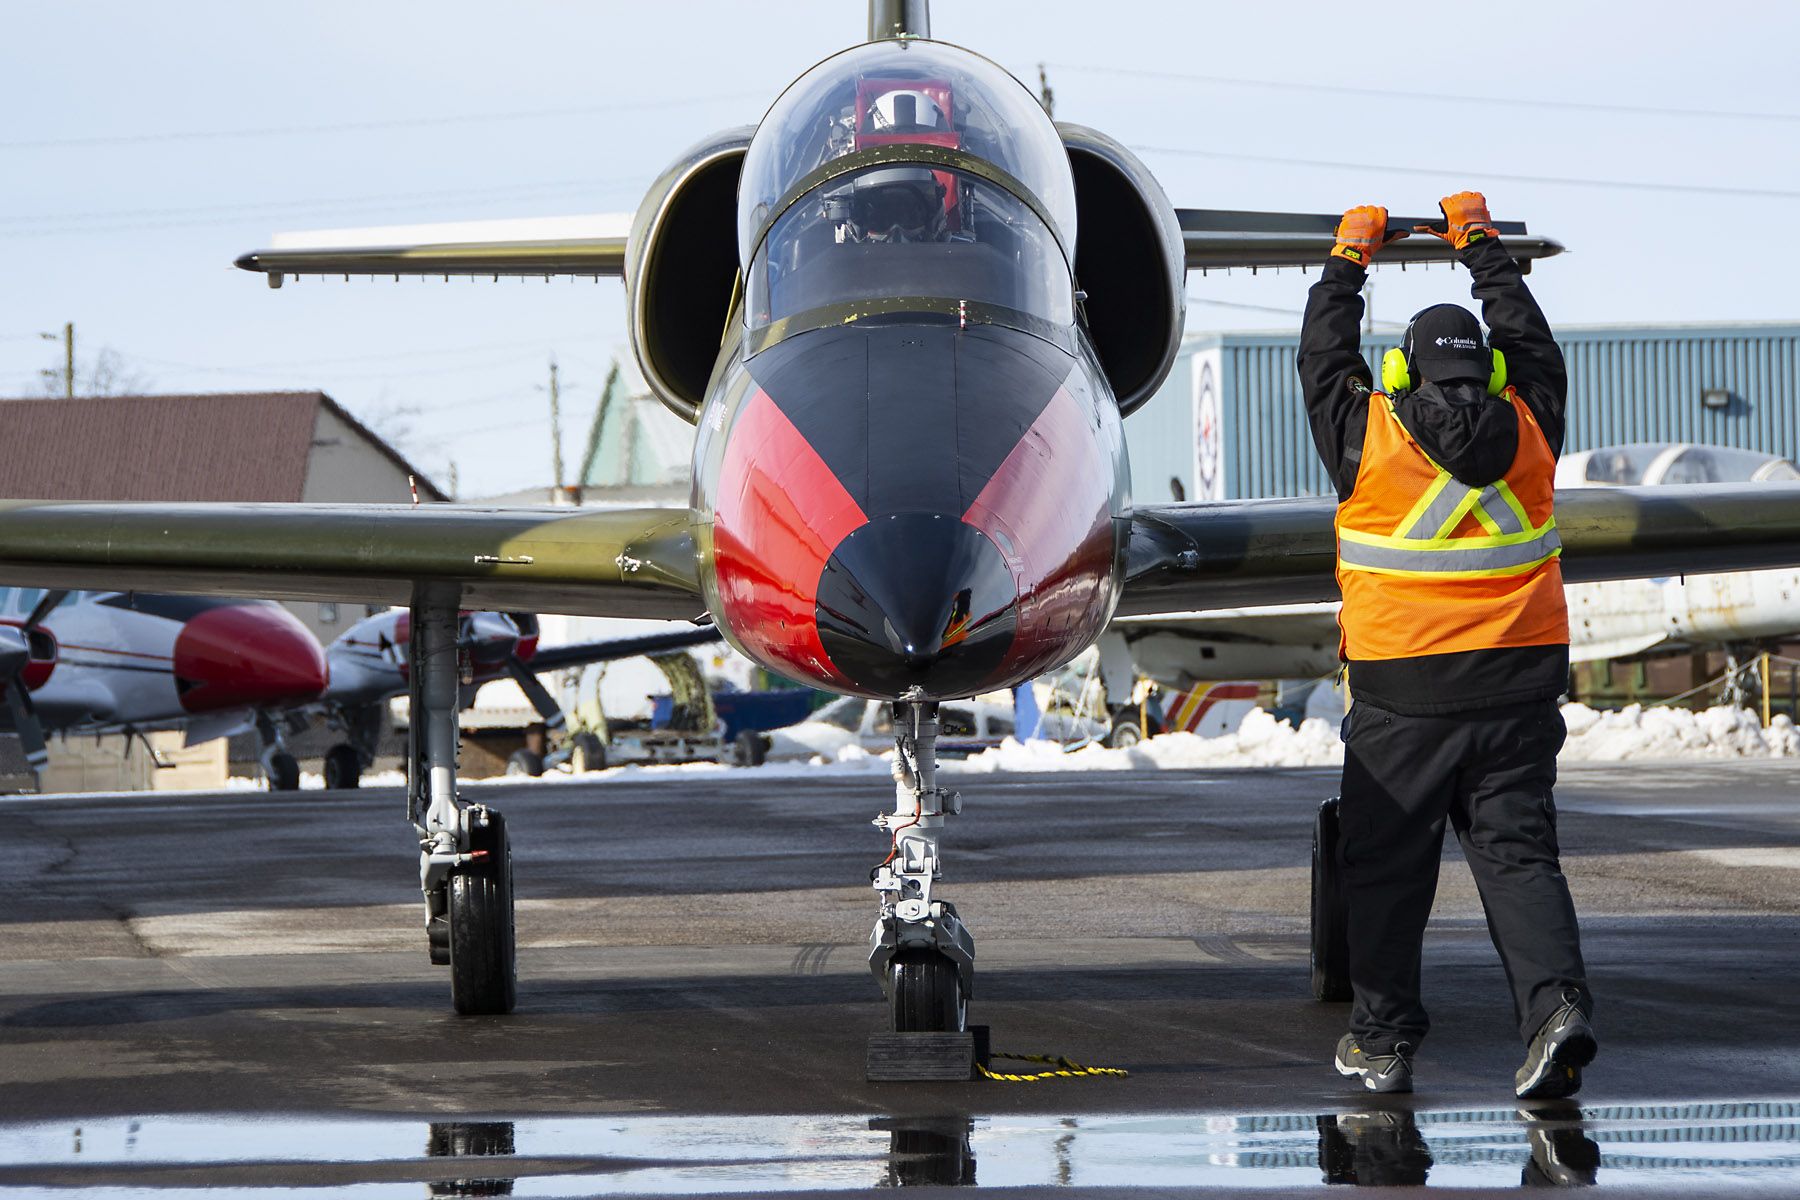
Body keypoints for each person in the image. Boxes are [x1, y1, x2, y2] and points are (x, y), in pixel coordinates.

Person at [1296, 192, 1595, 1098]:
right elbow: (1534, 340)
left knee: (1388, 873)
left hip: (1401, 701)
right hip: (1516, 693)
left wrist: (1350, 257)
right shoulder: (1535, 423)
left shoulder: (1367, 433)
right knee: (1518, 859)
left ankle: (1384, 1045)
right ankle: (1554, 1012)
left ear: (1398, 370)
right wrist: (1482, 245)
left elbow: (1321, 355)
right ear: (1496, 371)